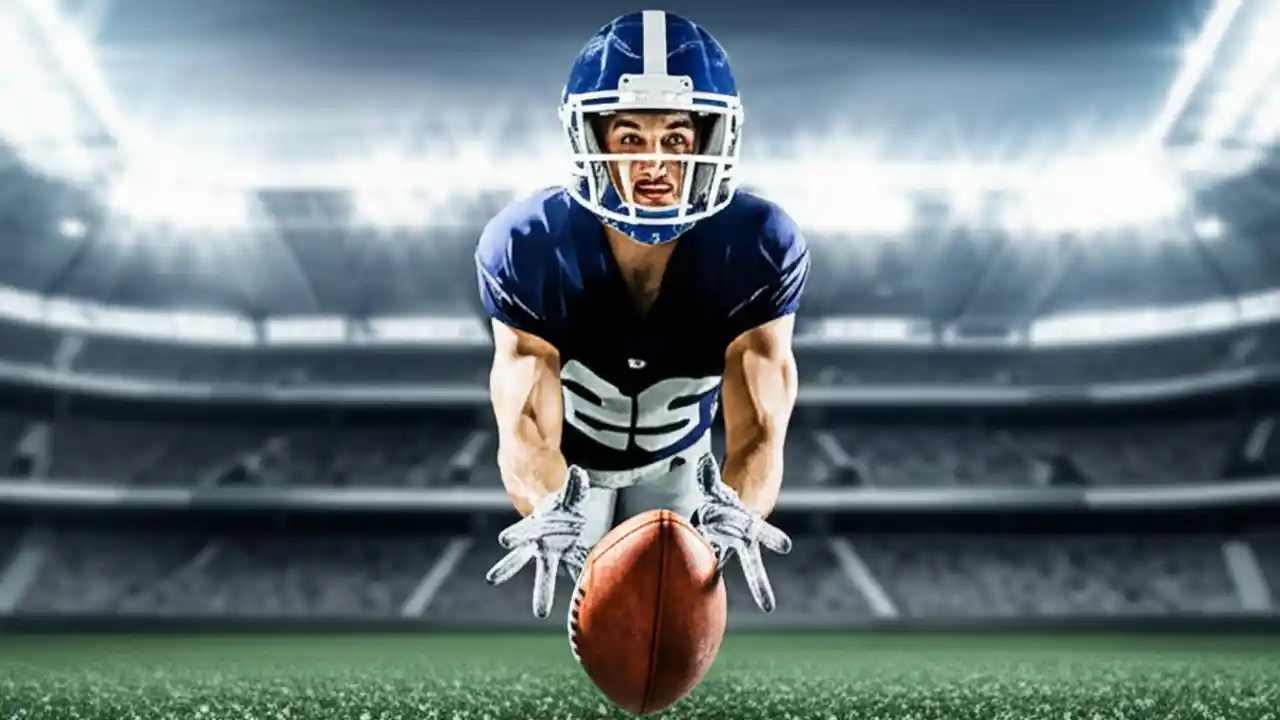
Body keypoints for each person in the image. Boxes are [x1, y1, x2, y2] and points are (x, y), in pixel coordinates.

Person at [476, 9, 809, 619]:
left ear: (711, 141)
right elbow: (522, 419)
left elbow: (761, 423)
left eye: (676, 138)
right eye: (629, 137)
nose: (654, 163)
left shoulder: (758, 243)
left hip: (683, 466)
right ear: (591, 140)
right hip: (574, 474)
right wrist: (545, 504)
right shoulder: (529, 242)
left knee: (671, 628)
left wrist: (743, 505)